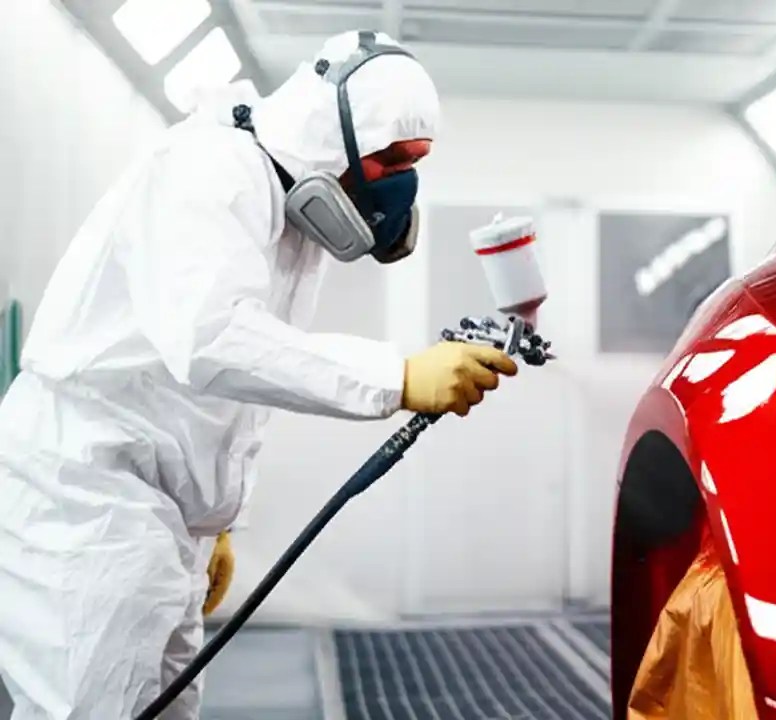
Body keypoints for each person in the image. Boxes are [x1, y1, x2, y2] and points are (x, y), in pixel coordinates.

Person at [0, 30, 516, 719]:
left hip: (159, 519)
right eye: (390, 159)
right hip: (86, 500)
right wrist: (396, 376)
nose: (400, 184)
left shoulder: (291, 220)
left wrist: (215, 526)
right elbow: (211, 338)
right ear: (328, 141)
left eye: (415, 162)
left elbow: (229, 397)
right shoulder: (210, 168)